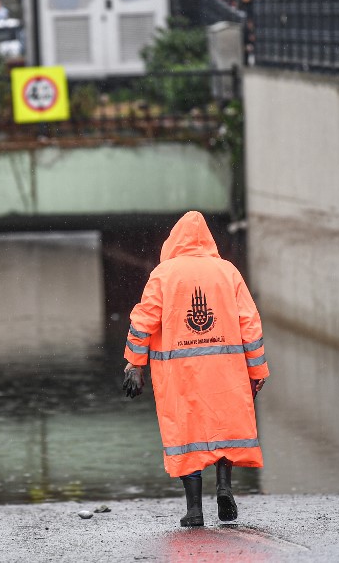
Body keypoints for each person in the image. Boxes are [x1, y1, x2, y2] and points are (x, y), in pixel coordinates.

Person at [122, 211, 268, 527]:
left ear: (173, 241)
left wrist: (135, 364)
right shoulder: (228, 272)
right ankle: (225, 488)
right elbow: (250, 323)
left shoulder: (163, 274)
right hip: (225, 371)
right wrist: (257, 371)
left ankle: (194, 510)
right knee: (224, 427)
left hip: (179, 374)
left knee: (187, 434)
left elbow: (143, 320)